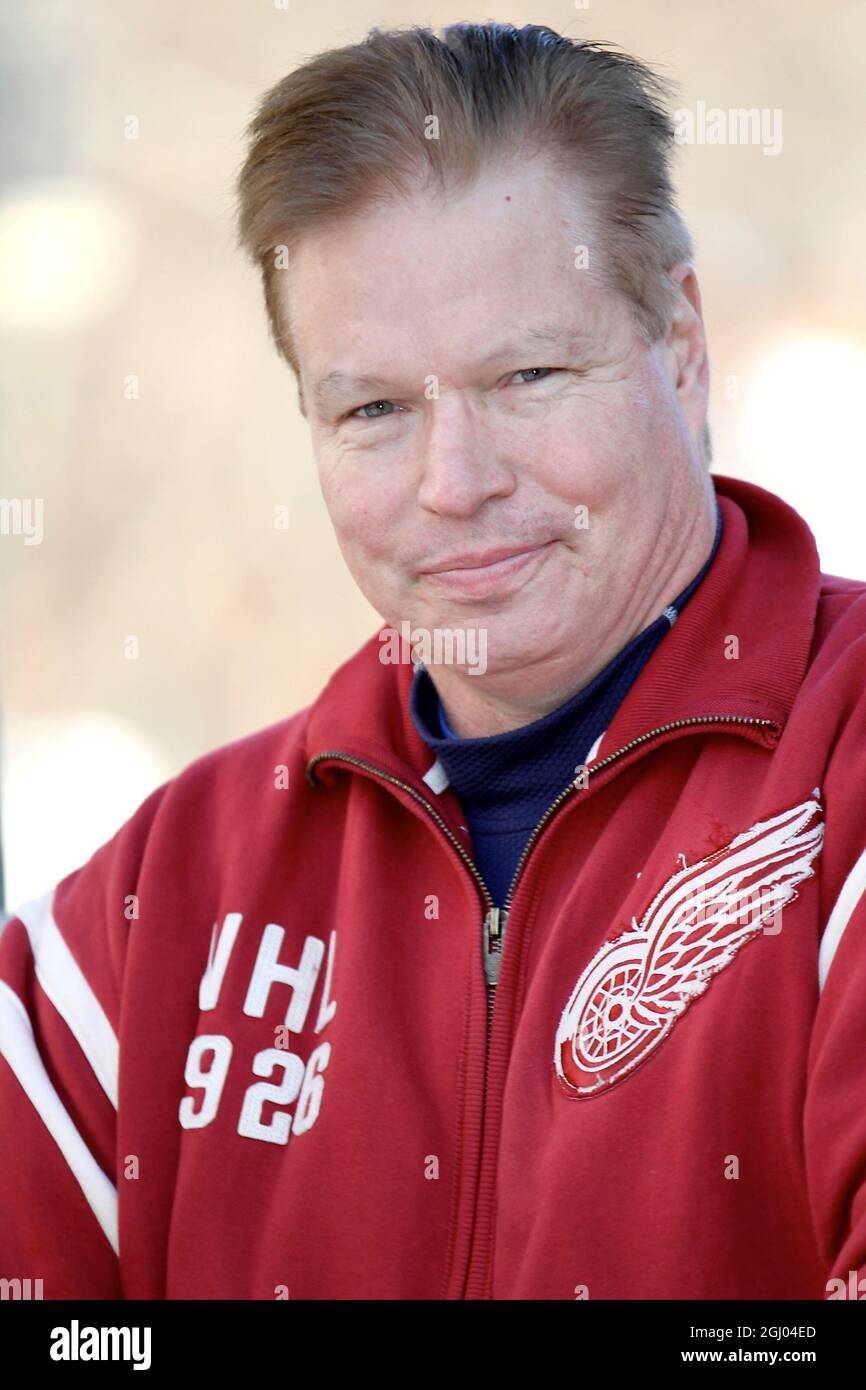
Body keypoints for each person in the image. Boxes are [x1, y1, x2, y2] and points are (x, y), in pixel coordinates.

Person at [1, 21, 865, 1302]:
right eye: (373, 411)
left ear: (678, 345)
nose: (450, 484)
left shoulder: (839, 782)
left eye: (524, 375)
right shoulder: (157, 899)